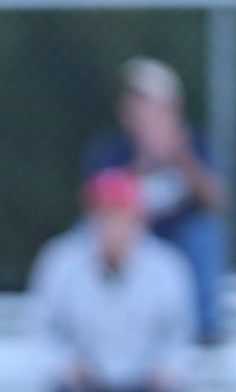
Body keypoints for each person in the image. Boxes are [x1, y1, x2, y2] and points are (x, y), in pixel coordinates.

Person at [29, 167, 195, 392]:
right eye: (105, 214)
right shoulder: (60, 260)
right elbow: (42, 327)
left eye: (121, 214)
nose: (113, 225)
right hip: (87, 377)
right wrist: (67, 365)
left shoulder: (167, 266)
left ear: (139, 218)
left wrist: (166, 368)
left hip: (145, 377)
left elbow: (180, 333)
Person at [85, 57, 227, 343]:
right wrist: (143, 162)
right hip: (130, 236)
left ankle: (204, 330)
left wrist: (180, 156)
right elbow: (96, 203)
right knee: (87, 236)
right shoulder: (112, 149)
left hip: (177, 233)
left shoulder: (193, 145)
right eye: (135, 104)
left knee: (205, 234)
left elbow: (217, 200)